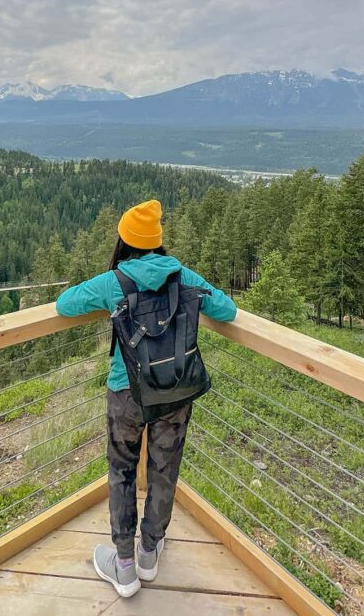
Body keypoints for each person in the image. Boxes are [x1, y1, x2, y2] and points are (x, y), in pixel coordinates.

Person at [56, 199, 237, 597]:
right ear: (157, 242)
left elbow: (64, 304)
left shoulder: (113, 282)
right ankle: (149, 554)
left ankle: (123, 567)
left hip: (126, 392)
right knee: (163, 470)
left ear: (124, 241)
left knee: (122, 470)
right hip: (176, 389)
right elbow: (227, 309)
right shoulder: (182, 275)